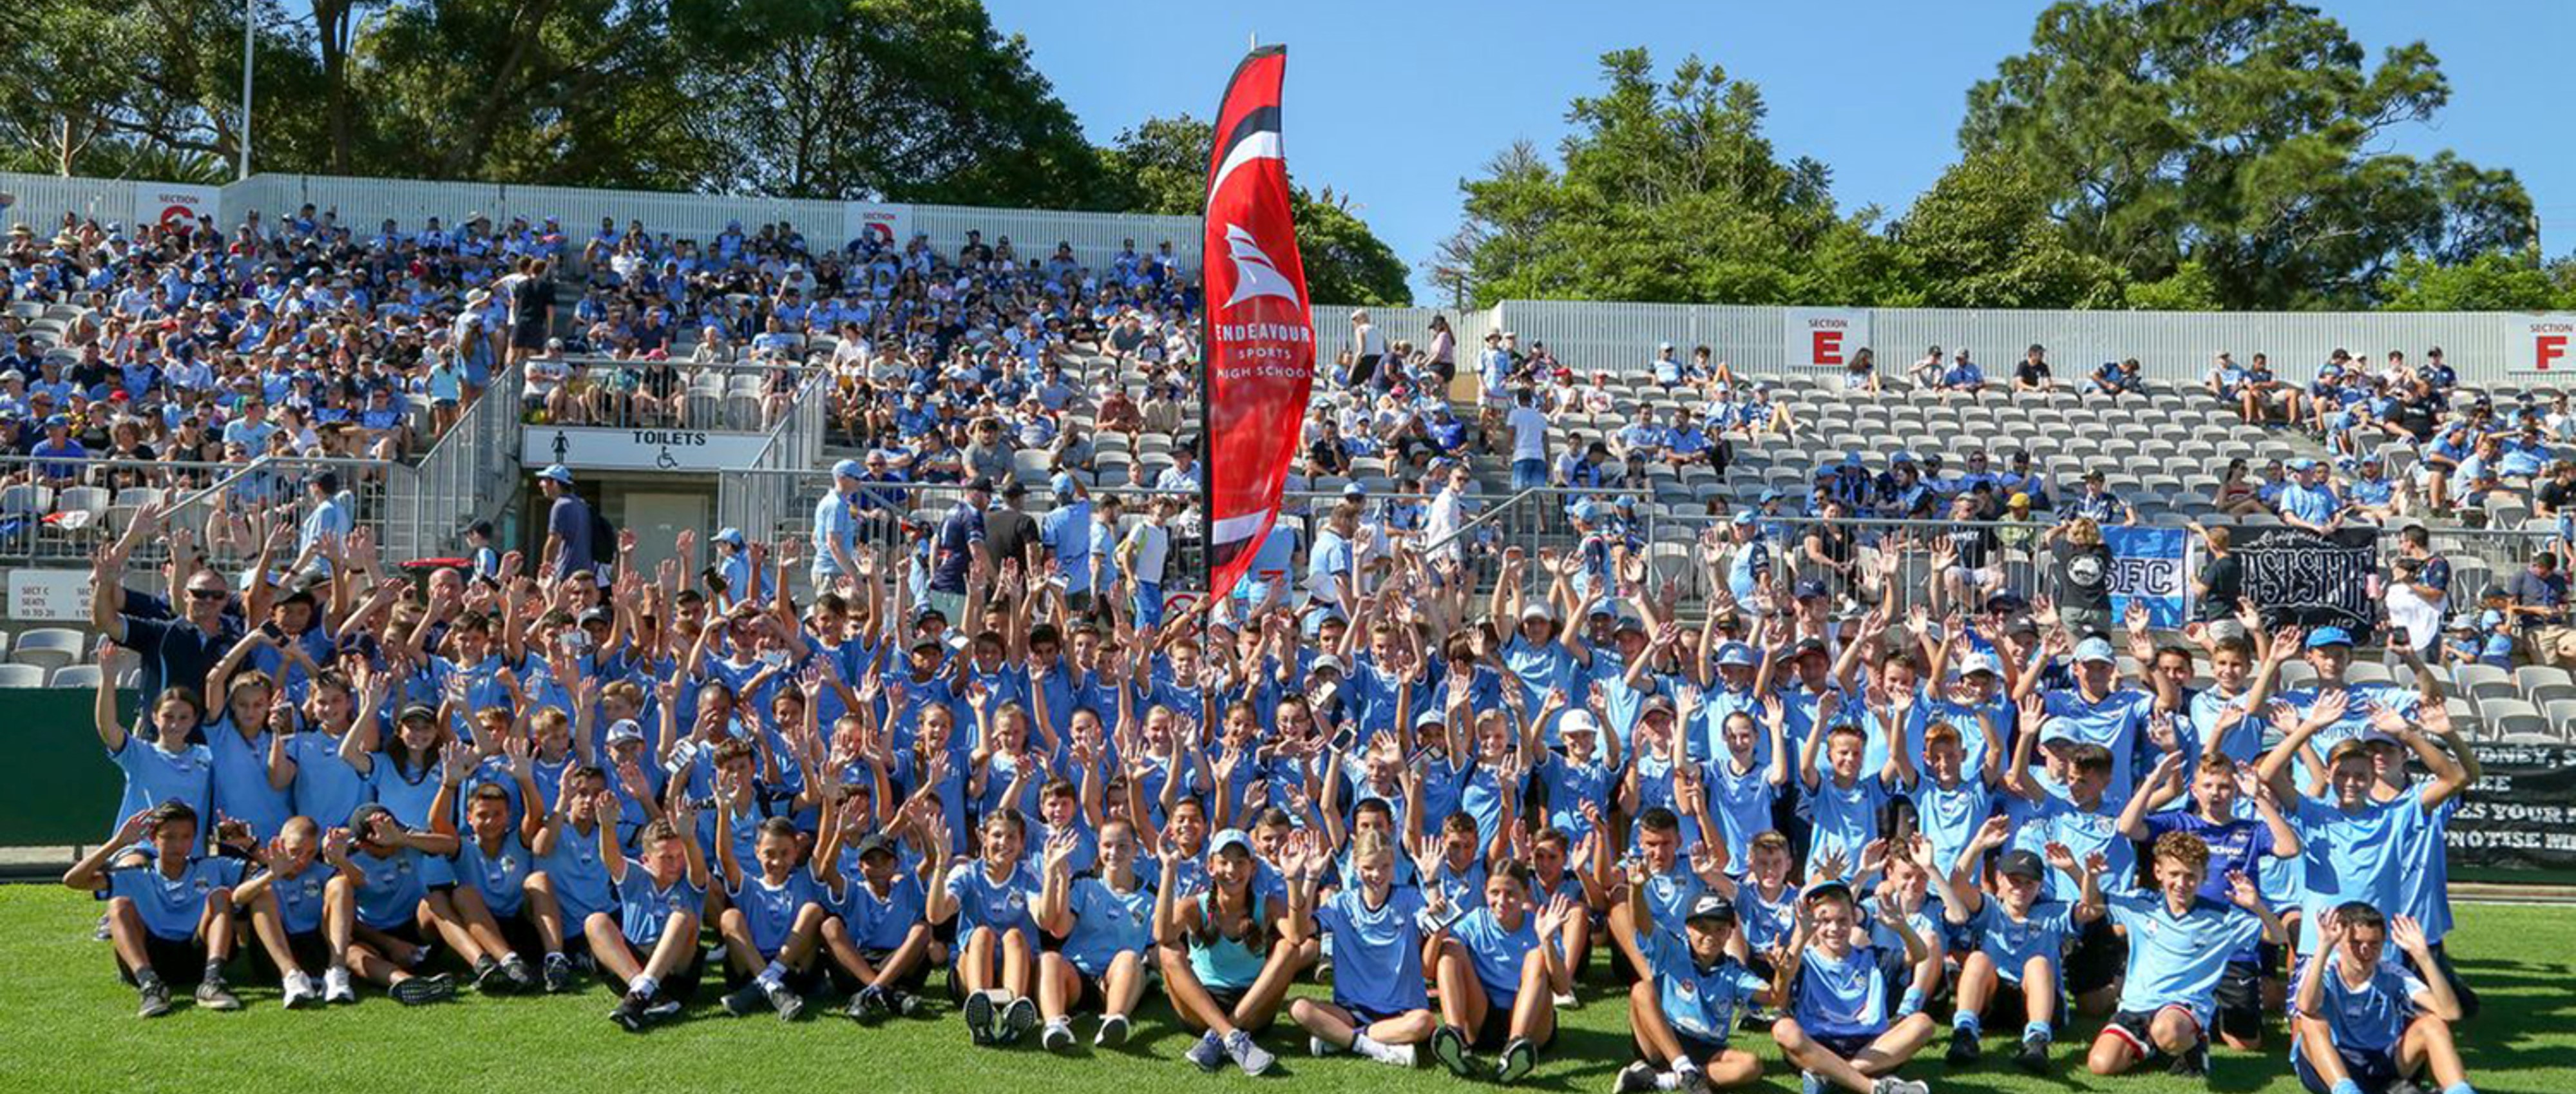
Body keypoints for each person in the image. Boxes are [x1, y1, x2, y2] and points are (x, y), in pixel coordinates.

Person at [2084, 832, 2287, 1079]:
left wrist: (2256, 906)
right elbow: (2092, 908)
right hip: (2135, 1006)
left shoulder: (2221, 917)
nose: (2181, 883)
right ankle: (2155, 1049)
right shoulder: (2140, 904)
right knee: (2100, 1065)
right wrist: (2090, 878)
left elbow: (2277, 937)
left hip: (2181, 1009)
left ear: (2203, 877)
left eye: (2191, 876)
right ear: (2159, 872)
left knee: (2167, 1030)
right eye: (2174, 874)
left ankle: (2194, 1045)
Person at [64, 803, 251, 1017]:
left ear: (194, 839)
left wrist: (249, 846)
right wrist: (117, 843)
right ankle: (151, 986)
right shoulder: (139, 874)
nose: (178, 845)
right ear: (154, 839)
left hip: (198, 955)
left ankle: (212, 982)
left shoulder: (213, 866)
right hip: (153, 959)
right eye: (169, 837)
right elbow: (73, 881)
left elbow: (268, 873)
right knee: (119, 904)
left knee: (220, 896)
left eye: (186, 837)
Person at [1766, 880, 1936, 1094]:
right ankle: (1875, 1088)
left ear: (1854, 919)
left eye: (1842, 920)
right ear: (1813, 922)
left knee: (1923, 1023)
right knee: (1784, 1029)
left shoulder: (1873, 958)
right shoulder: (1803, 959)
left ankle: (1833, 1077)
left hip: (1869, 1048)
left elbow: (1920, 954)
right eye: (1825, 921)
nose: (1834, 928)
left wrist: (1902, 926)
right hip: (1816, 1045)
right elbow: (1778, 1003)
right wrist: (1800, 938)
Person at [2292, 904, 2474, 1094]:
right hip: (2332, 1067)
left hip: (2381, 1062)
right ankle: (2347, 1090)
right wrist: (2323, 948)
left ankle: (2460, 1091)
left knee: (2433, 1024)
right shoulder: (2325, 969)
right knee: (2311, 1021)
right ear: (2338, 942)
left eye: (2374, 944)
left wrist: (2423, 957)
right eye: (2355, 943)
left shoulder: (2392, 974)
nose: (2365, 951)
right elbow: (2305, 1005)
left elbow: (2450, 1013)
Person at [1429, 861, 1578, 1082]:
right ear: (1484, 892)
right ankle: (1456, 1038)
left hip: (1532, 1024)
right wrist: (1438, 931)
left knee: (1537, 957)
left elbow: (1563, 988)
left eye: (1511, 894)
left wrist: (1546, 941)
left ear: (1526, 893)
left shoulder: (1540, 924)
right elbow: (1429, 970)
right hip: (1481, 1018)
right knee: (1451, 947)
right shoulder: (1476, 920)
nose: (1501, 901)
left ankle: (1514, 1050)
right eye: (1494, 893)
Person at [535, 464, 593, 582]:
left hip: (566, 573)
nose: (541, 484)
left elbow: (554, 542)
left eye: (545, 481)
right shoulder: (581, 504)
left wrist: (545, 573)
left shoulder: (561, 505)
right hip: (585, 573)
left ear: (555, 483)